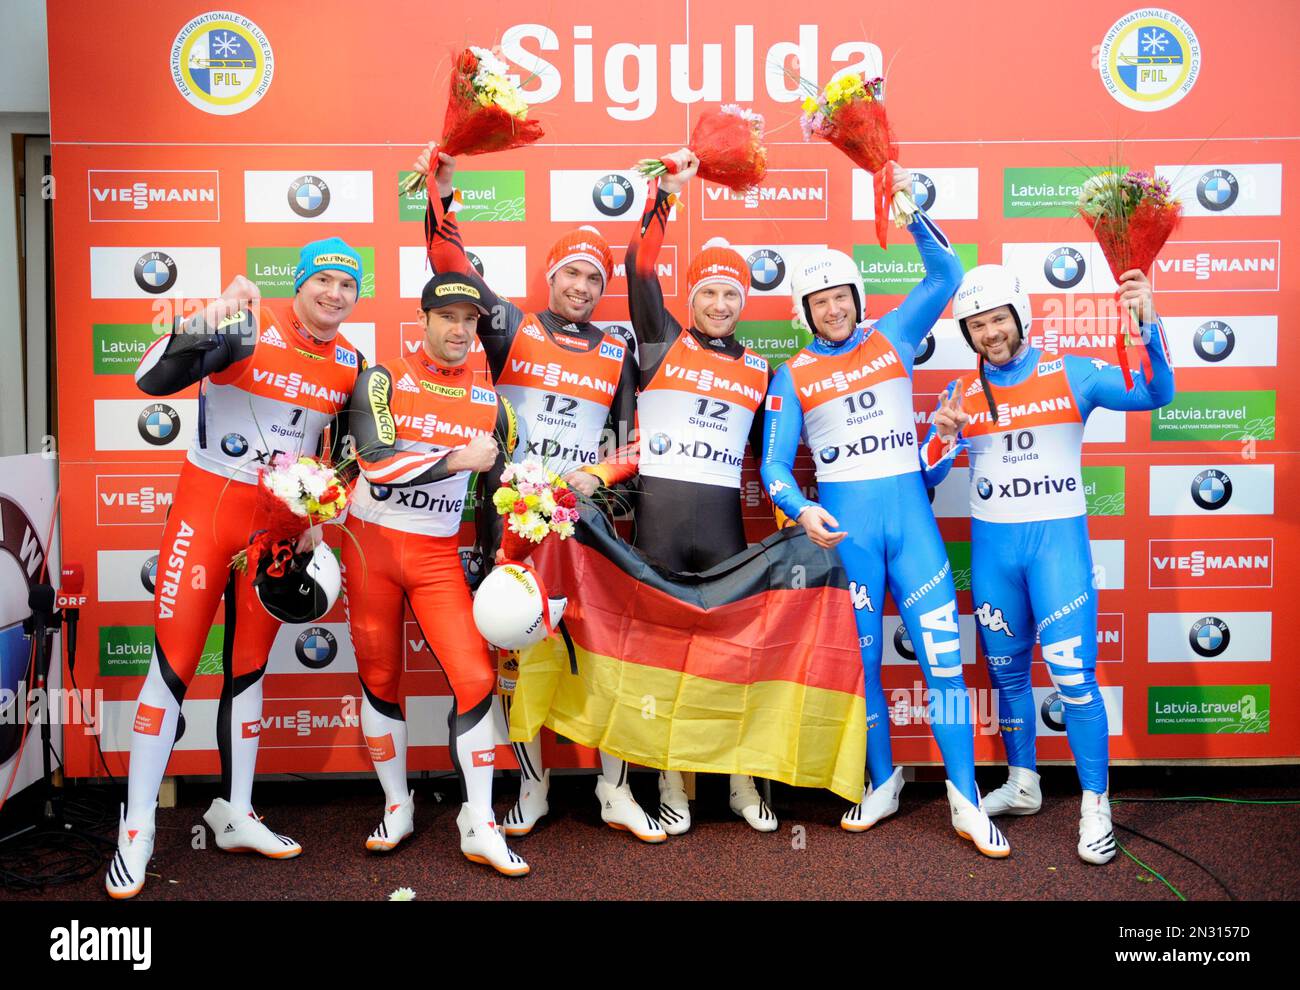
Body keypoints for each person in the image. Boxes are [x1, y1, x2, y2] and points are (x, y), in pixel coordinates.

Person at [413, 143, 662, 843]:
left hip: (588, 520)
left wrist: (601, 478)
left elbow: (631, 442)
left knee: (605, 651)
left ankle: (615, 791)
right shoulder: (511, 327)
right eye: (572, 273)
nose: (583, 285)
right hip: (511, 522)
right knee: (515, 652)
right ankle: (532, 786)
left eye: (594, 276)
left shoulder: (618, 351)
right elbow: (450, 268)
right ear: (551, 277)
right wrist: (444, 193)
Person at [760, 171, 1010, 857]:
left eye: (841, 298)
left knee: (944, 667)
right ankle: (882, 779)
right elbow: (773, 469)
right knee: (861, 669)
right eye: (820, 302)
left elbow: (946, 271)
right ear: (804, 311)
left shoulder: (895, 334)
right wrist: (802, 508)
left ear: (857, 299)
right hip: (849, 537)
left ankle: (964, 798)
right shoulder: (793, 374)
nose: (833, 311)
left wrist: (909, 210)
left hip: (914, 529)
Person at [107, 239, 366, 899]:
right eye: (324, 281)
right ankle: (135, 830)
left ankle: (236, 812)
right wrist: (214, 315)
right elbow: (150, 379)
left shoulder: (350, 362)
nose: (335, 295)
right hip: (206, 514)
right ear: (300, 284)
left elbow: (347, 455)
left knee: (249, 666)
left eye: (347, 285)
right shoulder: (246, 329)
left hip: (276, 529)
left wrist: (316, 521)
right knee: (173, 666)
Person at [920, 264, 1174, 864]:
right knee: (1006, 676)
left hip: (1057, 551)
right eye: (977, 326)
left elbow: (1157, 394)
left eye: (998, 320)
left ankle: (1094, 805)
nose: (990, 334)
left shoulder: (1072, 372)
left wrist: (1148, 323)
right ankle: (1024, 783)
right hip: (994, 557)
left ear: (1020, 318)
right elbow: (926, 480)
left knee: (1072, 676)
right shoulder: (958, 393)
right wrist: (942, 437)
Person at [572, 148, 777, 834]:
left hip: (724, 530)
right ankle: (672, 784)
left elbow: (771, 461)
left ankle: (745, 783)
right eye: (709, 293)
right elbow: (639, 266)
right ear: (690, 300)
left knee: (733, 657)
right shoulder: (659, 339)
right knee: (658, 662)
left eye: (731, 295)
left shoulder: (761, 366)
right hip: (657, 528)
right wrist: (666, 195)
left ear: (743, 303)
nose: (719, 304)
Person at [343, 272, 528, 876]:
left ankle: (479, 821)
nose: (459, 329)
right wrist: (454, 458)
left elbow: (494, 498)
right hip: (370, 548)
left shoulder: (494, 404)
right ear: (422, 319)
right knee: (379, 673)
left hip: (436, 556)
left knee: (475, 677)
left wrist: (503, 563)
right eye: (447, 316)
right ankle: (398, 804)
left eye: (470, 320)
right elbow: (375, 461)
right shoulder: (381, 377)